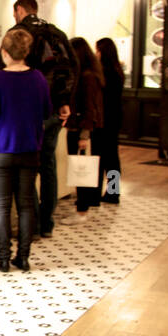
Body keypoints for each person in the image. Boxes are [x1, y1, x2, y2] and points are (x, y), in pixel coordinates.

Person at [0, 0, 77, 237]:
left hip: (25, 117)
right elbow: (73, 67)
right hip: (53, 111)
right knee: (48, 167)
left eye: (14, 13)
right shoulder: (57, 33)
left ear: (19, 10)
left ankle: (32, 227)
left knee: (26, 172)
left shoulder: (20, 33)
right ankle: (46, 224)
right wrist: (64, 102)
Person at [0, 27, 53, 272]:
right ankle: (23, 257)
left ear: (4, 52)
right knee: (25, 205)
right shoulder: (38, 78)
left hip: (1, 149)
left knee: (2, 205)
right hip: (30, 148)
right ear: (27, 51)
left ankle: (3, 258)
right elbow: (46, 112)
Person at [64, 37, 105, 223]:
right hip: (85, 127)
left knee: (82, 169)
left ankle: (111, 193)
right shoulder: (90, 74)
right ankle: (110, 194)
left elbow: (90, 108)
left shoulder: (87, 77)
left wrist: (84, 134)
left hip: (82, 129)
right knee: (108, 163)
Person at [95, 37, 125, 205]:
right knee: (113, 158)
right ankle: (114, 191)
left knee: (102, 158)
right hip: (114, 118)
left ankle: (102, 191)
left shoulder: (104, 73)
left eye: (97, 50)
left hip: (104, 119)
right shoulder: (117, 70)